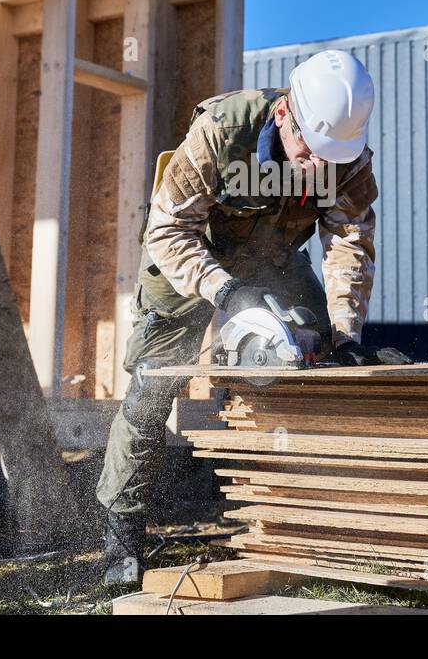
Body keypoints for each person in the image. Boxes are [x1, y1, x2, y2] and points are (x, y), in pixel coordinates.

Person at [94, 49, 410, 583]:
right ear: (285, 114)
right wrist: (224, 291)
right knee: (151, 391)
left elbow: (349, 242)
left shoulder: (348, 158)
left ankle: (305, 519)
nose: (320, 168)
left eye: (331, 158)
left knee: (323, 359)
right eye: (312, 152)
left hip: (275, 258)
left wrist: (345, 331)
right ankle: (121, 532)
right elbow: (167, 232)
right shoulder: (223, 131)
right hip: (190, 258)